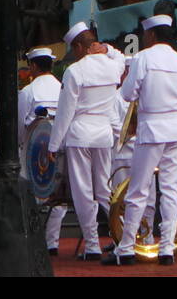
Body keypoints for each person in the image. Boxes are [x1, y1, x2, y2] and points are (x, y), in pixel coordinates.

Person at [105, 12, 177, 266]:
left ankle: (126, 248)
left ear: (151, 34)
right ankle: (168, 248)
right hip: (176, 130)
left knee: (139, 189)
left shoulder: (143, 57)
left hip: (150, 129)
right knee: (172, 191)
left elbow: (127, 94)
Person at [49, 20, 122, 261]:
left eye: (75, 50)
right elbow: (123, 58)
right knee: (104, 189)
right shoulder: (113, 67)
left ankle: (92, 245)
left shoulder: (76, 71)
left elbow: (65, 112)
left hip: (80, 134)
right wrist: (108, 49)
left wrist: (53, 144)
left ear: (80, 46)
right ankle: (120, 237)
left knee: (83, 192)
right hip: (103, 134)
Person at [19, 46, 65, 254]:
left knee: (32, 192)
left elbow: (20, 124)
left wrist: (20, 143)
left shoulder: (28, 91)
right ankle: (52, 242)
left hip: (33, 149)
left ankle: (34, 238)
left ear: (34, 66)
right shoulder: (61, 87)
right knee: (57, 192)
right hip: (59, 146)